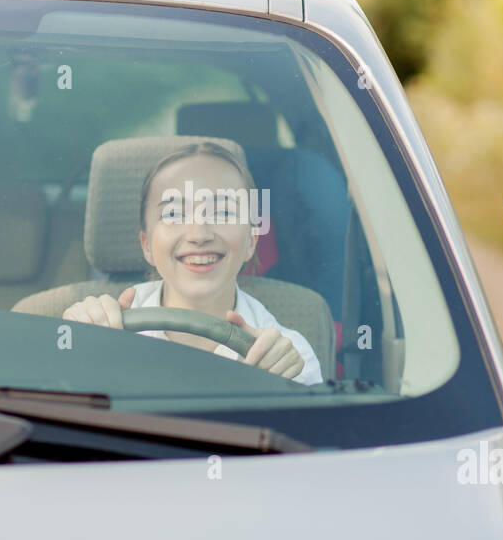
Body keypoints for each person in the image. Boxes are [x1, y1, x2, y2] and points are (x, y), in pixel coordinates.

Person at [63, 141, 323, 385]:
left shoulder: (289, 356)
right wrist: (74, 348)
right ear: (146, 245)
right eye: (174, 213)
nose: (199, 235)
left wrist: (285, 386)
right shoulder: (97, 329)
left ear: (251, 242)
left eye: (222, 212)